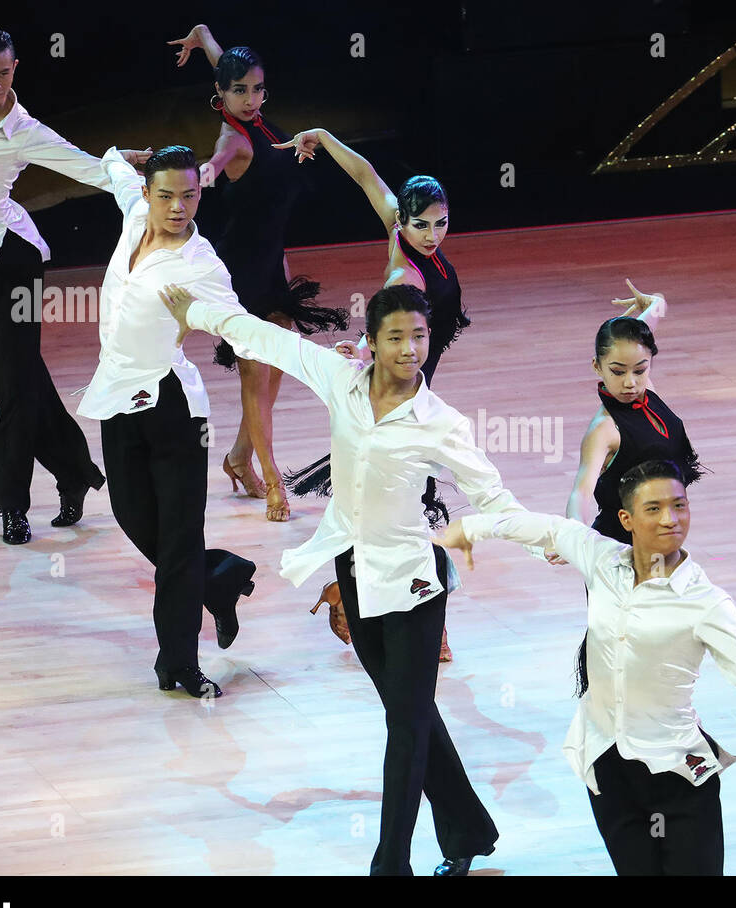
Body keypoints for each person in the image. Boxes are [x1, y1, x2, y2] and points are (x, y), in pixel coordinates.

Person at [161, 281, 528, 875]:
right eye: (396, 338)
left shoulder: (441, 423)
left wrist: (557, 543)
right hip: (355, 576)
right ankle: (466, 832)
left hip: (413, 584)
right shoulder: (343, 381)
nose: (411, 349)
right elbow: (269, 341)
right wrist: (196, 311)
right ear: (372, 343)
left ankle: (392, 865)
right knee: (411, 715)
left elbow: (496, 498)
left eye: (419, 336)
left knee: (405, 725)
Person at [435, 459, 736, 875]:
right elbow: (547, 527)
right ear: (627, 520)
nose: (671, 519)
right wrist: (469, 528)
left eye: (679, 505)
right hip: (607, 765)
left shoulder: (706, 603)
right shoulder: (601, 559)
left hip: (678, 776)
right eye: (655, 508)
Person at [0, 2, 147, 544]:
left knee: (17, 389)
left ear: (16, 69)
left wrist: (120, 166)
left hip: (14, 263)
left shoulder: (22, 130)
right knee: (3, 382)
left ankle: (12, 505)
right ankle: (76, 473)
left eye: (5, 73)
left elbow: (86, 167)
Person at [277, 129, 469, 658]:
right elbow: (386, 312)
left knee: (395, 505)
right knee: (416, 506)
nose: (433, 235)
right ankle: (422, 623)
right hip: (402, 401)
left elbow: (364, 172)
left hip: (416, 391)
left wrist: (325, 138)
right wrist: (360, 348)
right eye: (422, 225)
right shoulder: (405, 271)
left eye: (441, 223)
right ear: (404, 223)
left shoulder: (398, 226)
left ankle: (347, 591)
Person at [78, 145, 260, 699]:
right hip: (115, 397)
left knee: (178, 542)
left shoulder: (201, 263)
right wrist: (113, 153)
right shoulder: (135, 215)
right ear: (147, 193)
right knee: (134, 516)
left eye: (189, 195)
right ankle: (219, 579)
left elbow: (243, 329)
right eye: (166, 196)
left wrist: (326, 358)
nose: (179, 207)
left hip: (174, 409)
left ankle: (179, 663)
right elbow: (113, 171)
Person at [168, 26, 348, 522]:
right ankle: (272, 483)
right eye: (240, 91)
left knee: (277, 365)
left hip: (271, 263)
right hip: (241, 275)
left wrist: (204, 40)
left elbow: (224, 60)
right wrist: (196, 179)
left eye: (257, 89)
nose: (251, 98)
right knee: (256, 374)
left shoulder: (258, 119)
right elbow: (212, 164)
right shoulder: (232, 140)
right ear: (220, 95)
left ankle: (237, 457)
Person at [563, 281, 704, 693]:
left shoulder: (647, 388)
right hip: (622, 550)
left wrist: (653, 303)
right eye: (617, 372)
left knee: (661, 638)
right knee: (625, 642)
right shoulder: (604, 428)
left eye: (640, 370)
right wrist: (575, 538)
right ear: (597, 367)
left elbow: (652, 318)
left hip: (659, 538)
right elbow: (581, 490)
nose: (629, 382)